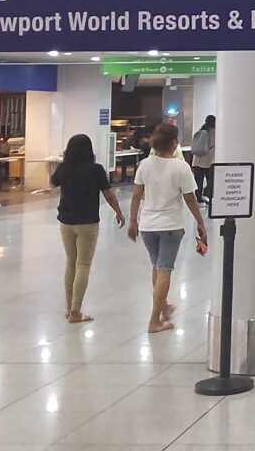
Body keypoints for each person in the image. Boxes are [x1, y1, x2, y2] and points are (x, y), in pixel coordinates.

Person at [126, 123, 207, 334]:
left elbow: (136, 196)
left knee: (156, 267)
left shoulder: (144, 165)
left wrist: (133, 221)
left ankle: (164, 307)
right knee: (164, 270)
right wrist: (200, 222)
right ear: (173, 143)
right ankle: (155, 321)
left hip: (148, 226)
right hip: (170, 225)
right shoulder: (181, 167)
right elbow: (190, 198)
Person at [51, 134, 124, 323]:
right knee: (83, 264)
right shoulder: (96, 170)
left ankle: (69, 309)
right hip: (87, 223)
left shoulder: (63, 167)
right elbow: (109, 195)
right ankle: (76, 312)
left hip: (66, 221)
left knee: (70, 262)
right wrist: (119, 212)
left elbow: (53, 183)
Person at [190, 115, 216, 202]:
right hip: (209, 161)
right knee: (210, 181)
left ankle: (198, 198)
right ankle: (207, 196)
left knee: (198, 181)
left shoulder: (200, 131)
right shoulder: (215, 133)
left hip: (197, 160)